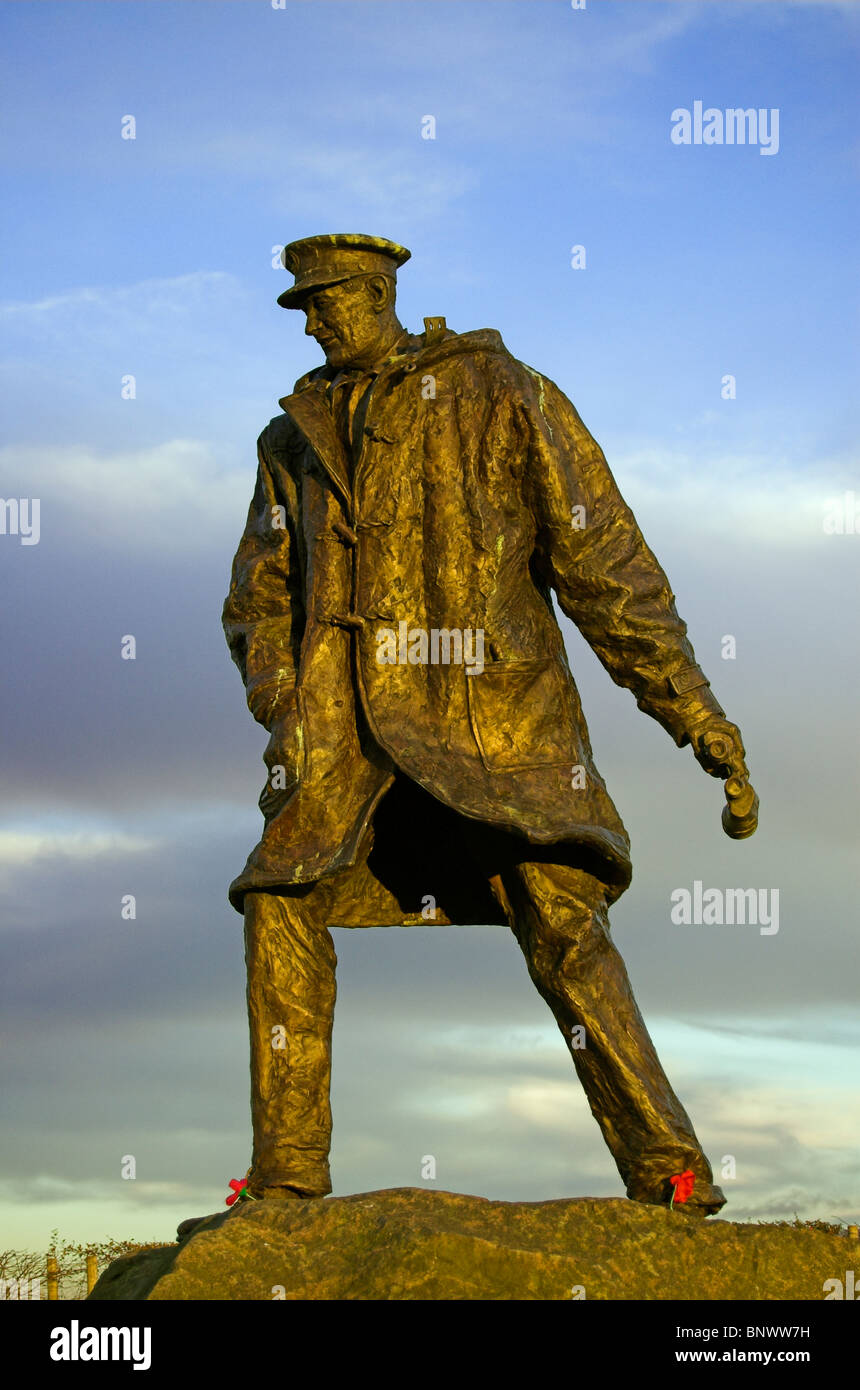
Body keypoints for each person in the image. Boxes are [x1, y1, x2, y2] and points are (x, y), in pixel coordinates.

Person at [221, 234, 755, 1217]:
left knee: (561, 926)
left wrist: (690, 711)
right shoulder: (288, 439)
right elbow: (259, 595)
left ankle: (667, 1165)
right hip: (341, 740)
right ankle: (286, 1172)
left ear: (378, 291)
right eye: (301, 308)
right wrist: (286, 703)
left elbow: (606, 568)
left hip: (495, 726)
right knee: (279, 904)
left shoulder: (501, 392)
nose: (313, 321)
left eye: (327, 301)